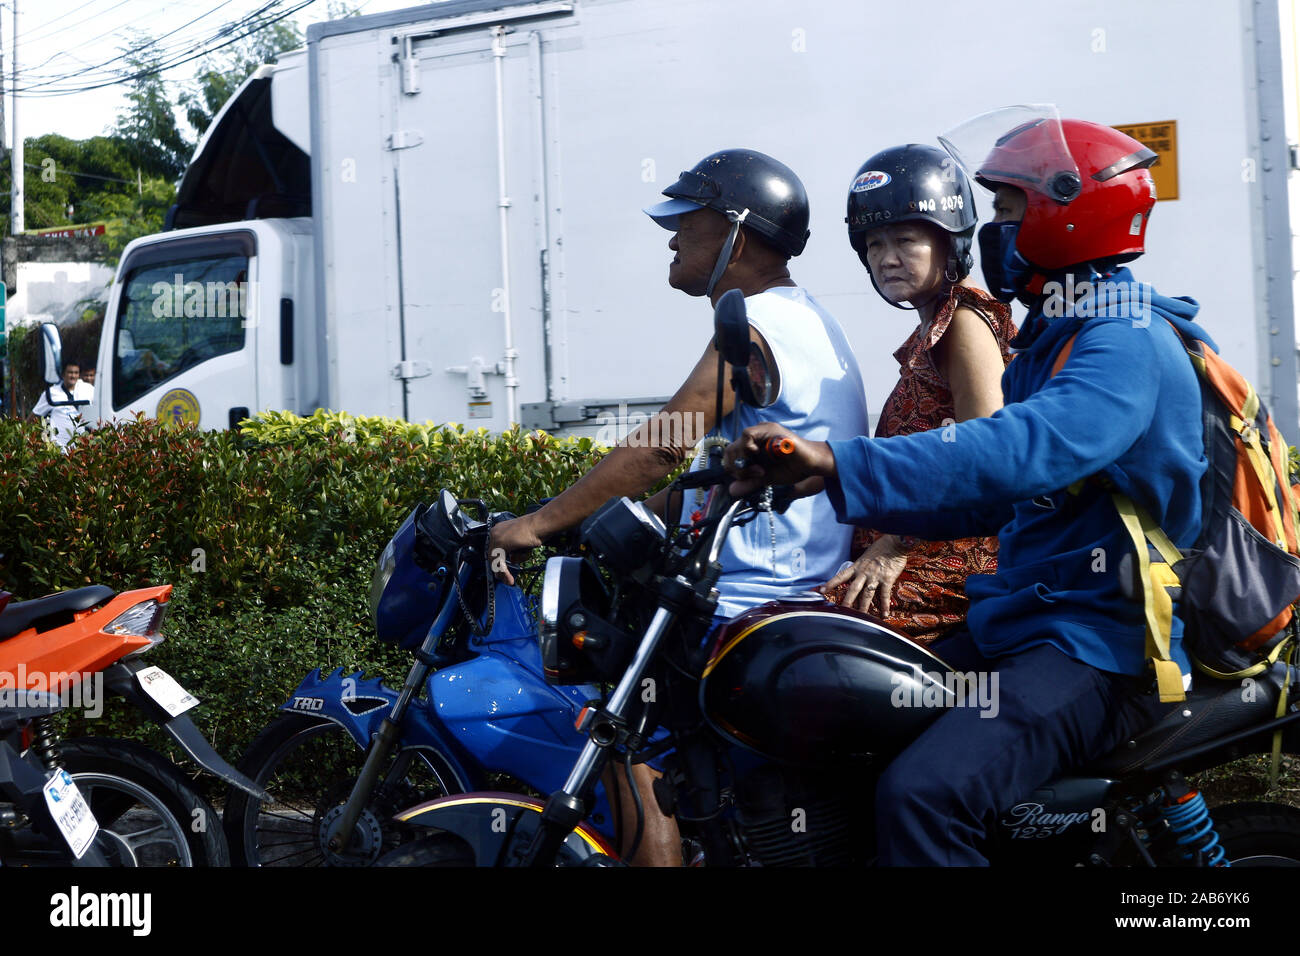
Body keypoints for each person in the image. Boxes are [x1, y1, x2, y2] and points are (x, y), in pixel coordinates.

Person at [725, 109, 1205, 865]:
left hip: (1099, 644)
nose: (996, 232)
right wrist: (812, 483)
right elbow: (991, 498)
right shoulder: (1060, 334)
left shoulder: (1124, 339)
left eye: (1010, 210)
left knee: (925, 796)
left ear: (1069, 213)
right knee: (854, 710)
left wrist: (841, 463)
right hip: (1024, 621)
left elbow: (1019, 451)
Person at [488, 148, 870, 864]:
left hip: (746, 606)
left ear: (739, 235)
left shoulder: (758, 324)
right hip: (781, 601)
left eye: (686, 225)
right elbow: (691, 477)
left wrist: (534, 526)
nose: (671, 239)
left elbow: (663, 443)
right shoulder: (801, 318)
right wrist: (582, 515)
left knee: (623, 741)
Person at [823, 145, 1016, 644]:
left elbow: (984, 454)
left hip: (949, 558)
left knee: (816, 643)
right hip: (915, 548)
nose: (887, 259)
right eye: (874, 244)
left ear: (950, 241)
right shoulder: (938, 322)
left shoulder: (965, 321)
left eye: (906, 240)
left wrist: (895, 543)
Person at [32, 358, 91, 449]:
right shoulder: (51, 393)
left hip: (82, 448)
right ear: (63, 374)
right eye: (70, 372)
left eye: (76, 373)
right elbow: (35, 415)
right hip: (58, 449)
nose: (73, 376)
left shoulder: (88, 389)